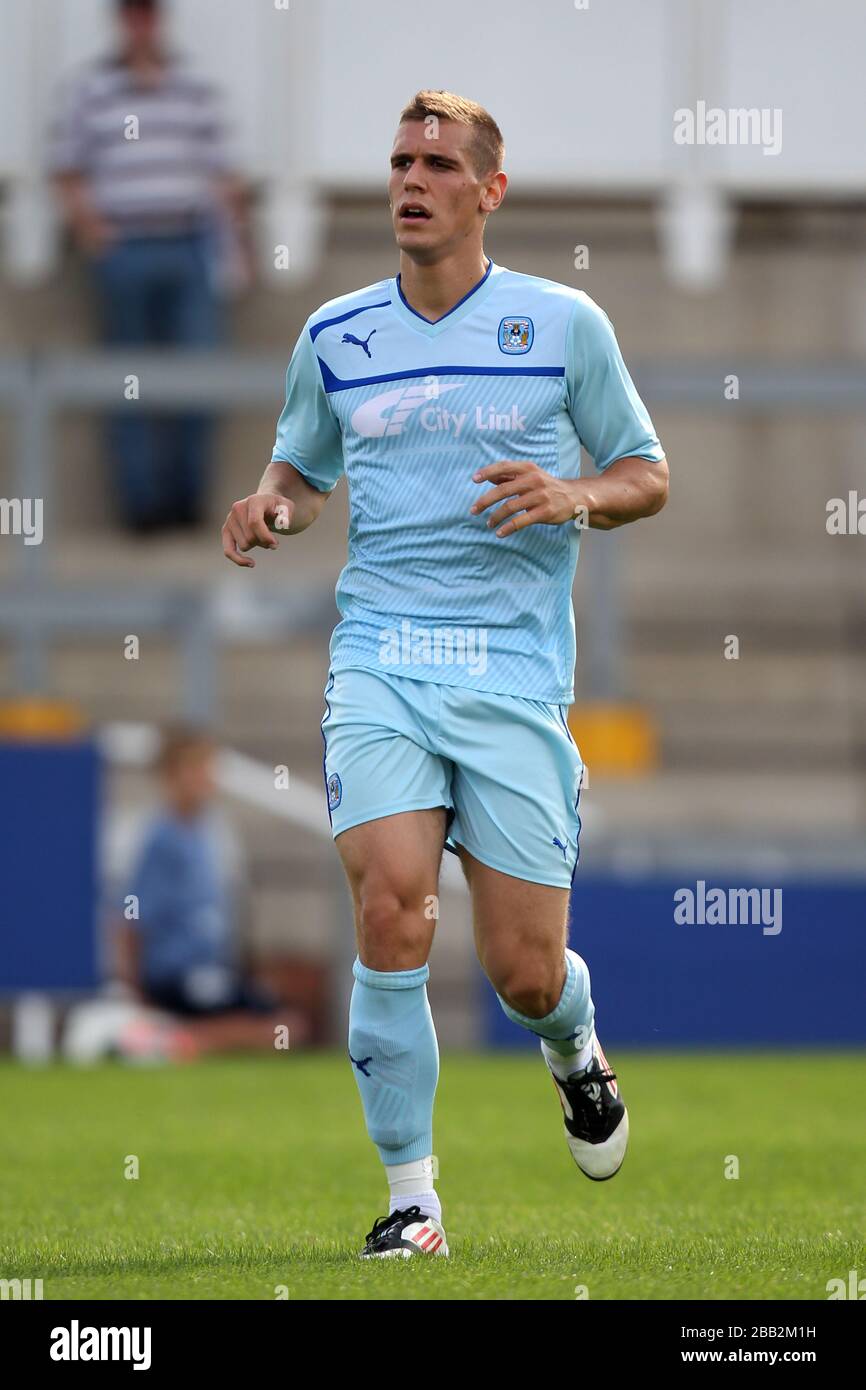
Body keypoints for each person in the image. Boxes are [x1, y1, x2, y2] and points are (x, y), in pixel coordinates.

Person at [222, 91, 669, 1258]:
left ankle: (571, 1045)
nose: (410, 180)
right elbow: (303, 468)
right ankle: (411, 1201)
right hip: (379, 661)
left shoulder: (563, 323)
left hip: (514, 675)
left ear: (488, 192)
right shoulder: (334, 335)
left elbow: (644, 471)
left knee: (522, 971)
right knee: (390, 907)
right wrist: (276, 502)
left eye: (436, 163)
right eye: (398, 161)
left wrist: (574, 492)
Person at [49, 0, 249, 533]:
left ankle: (187, 501)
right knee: (128, 380)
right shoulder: (90, 91)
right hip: (126, 247)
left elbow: (223, 176)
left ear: (159, 19)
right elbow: (67, 171)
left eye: (148, 13)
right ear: (121, 21)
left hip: (189, 244)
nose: (141, 24)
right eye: (132, 14)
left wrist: (236, 250)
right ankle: (141, 506)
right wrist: (97, 237)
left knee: (199, 376)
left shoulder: (194, 88)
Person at [114, 727, 296, 1058]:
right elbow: (132, 916)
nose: (207, 779)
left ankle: (176, 1038)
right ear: (171, 775)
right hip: (176, 974)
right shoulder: (162, 838)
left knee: (284, 1024)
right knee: (277, 1029)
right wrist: (134, 989)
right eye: (197, 770)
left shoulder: (210, 834)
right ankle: (174, 1040)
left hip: (212, 971)